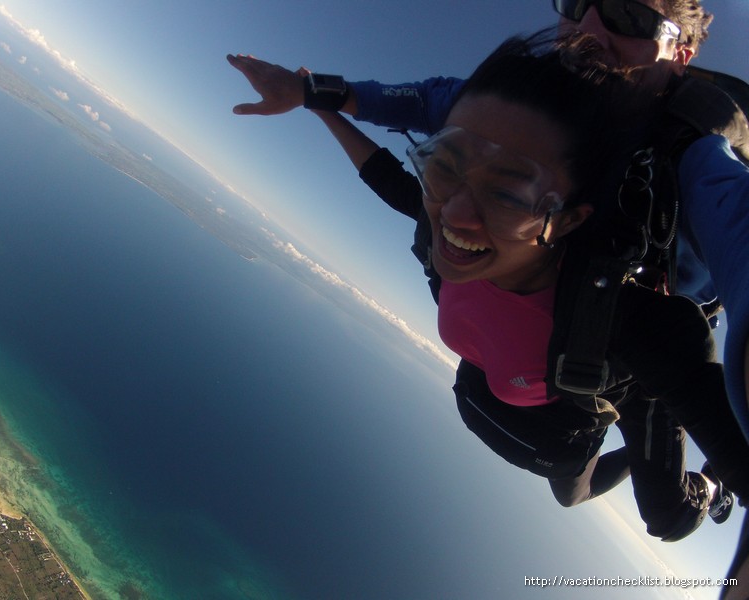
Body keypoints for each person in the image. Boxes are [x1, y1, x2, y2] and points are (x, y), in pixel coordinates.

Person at [230, 32, 749, 545]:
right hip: (513, 410)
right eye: (445, 164)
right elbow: (391, 181)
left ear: (566, 221)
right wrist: (314, 103)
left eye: (506, 192)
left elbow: (696, 378)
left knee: (667, 518)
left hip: (583, 411)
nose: (455, 213)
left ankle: (707, 486)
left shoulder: (632, 323)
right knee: (570, 494)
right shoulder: (444, 232)